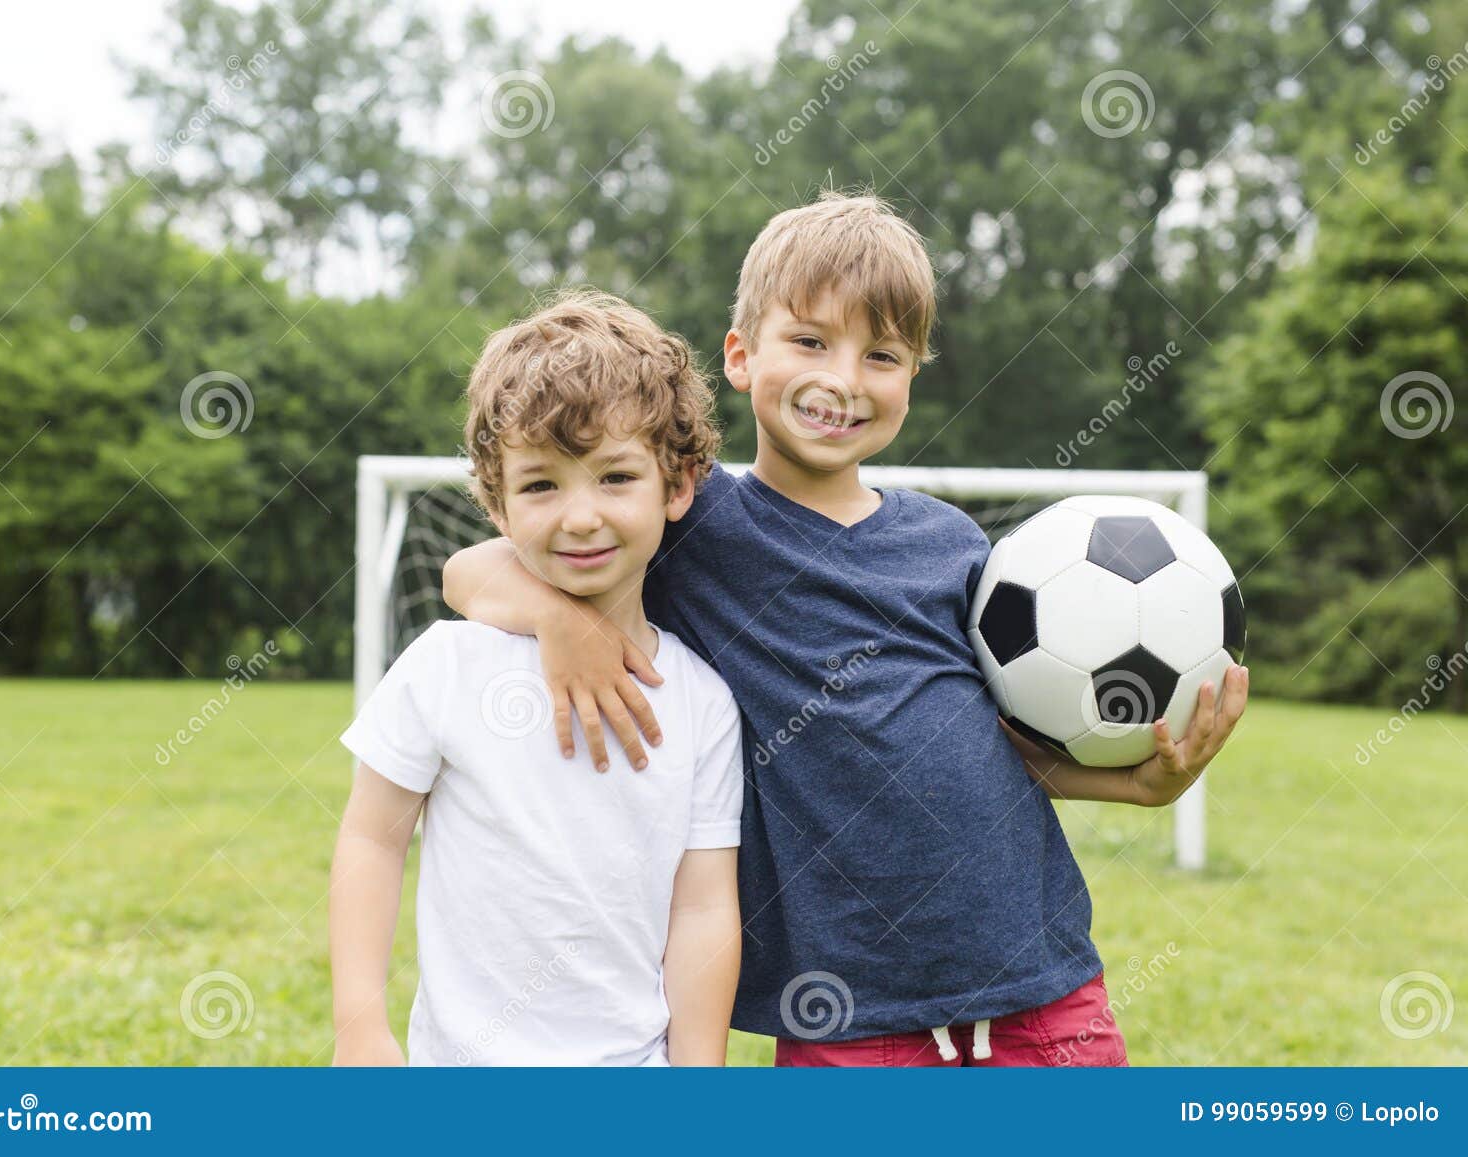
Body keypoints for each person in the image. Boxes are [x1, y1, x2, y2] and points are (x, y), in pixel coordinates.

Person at [442, 191, 1250, 1067]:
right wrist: (562, 621)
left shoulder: (950, 545)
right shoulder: (694, 524)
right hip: (845, 1015)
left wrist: (1131, 786)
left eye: (882, 354)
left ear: (911, 379)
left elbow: (991, 748)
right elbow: (469, 571)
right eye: (810, 341)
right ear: (742, 355)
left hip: (1042, 989)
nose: (844, 379)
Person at [330, 290, 743, 1066]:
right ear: (497, 504)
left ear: (677, 485)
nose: (580, 516)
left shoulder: (704, 702)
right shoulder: (446, 665)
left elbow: (702, 908)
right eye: (542, 485)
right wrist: (359, 1026)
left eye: (615, 476)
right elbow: (370, 840)